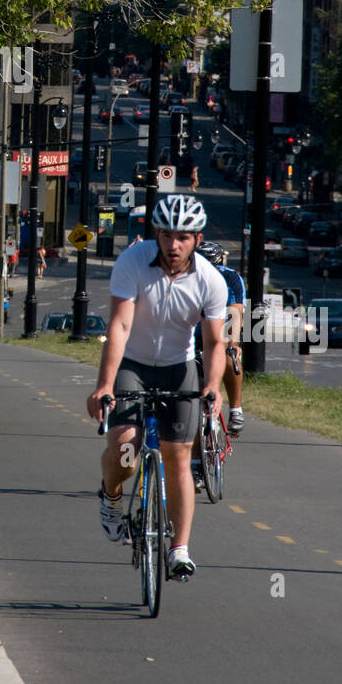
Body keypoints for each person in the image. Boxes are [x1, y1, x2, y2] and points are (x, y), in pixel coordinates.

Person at [86, 195, 227, 581]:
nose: (173, 245)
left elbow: (216, 343)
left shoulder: (211, 281)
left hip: (178, 368)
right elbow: (119, 326)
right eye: (166, 235)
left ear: (197, 240)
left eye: (183, 237)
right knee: (126, 446)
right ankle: (111, 497)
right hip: (133, 365)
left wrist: (212, 386)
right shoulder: (132, 262)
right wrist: (104, 385)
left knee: (179, 457)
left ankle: (179, 548)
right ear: (156, 234)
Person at [192, 241, 245, 442]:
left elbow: (235, 311)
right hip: (193, 335)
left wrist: (233, 342)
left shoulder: (230, 277)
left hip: (221, 331)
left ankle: (235, 410)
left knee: (230, 358)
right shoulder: (187, 277)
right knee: (196, 392)